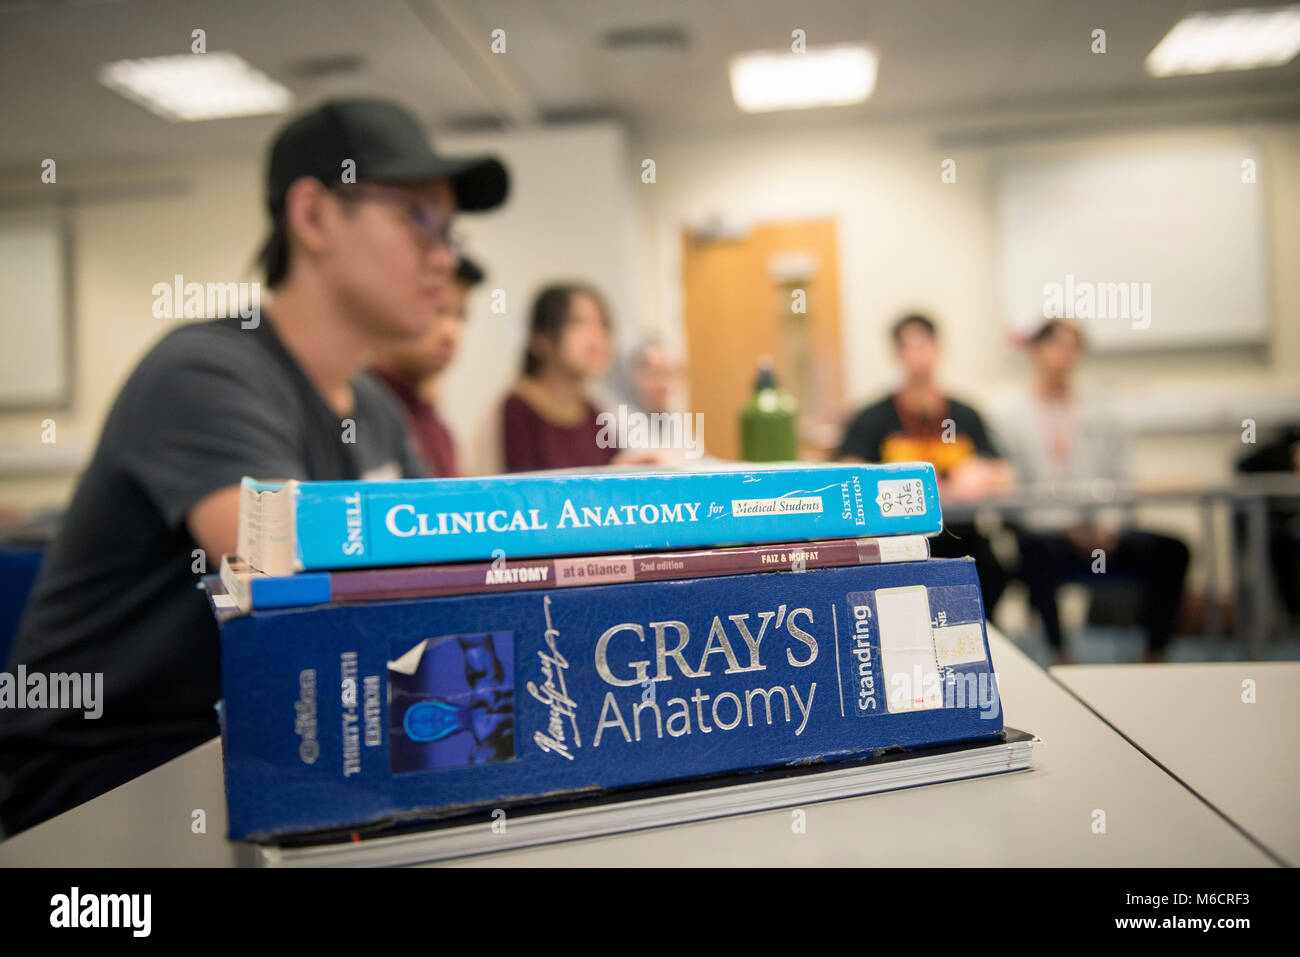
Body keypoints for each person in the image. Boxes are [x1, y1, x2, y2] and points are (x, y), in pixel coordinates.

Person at [0, 98, 508, 837]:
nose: (446, 256)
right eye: (417, 219)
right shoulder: (202, 373)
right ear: (312, 215)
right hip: (103, 787)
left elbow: (439, 580)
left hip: (274, 749)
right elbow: (295, 589)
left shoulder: (376, 405)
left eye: (450, 231)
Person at [996, 319, 1189, 663]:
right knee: (1034, 553)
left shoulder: (1105, 412)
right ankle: (1060, 652)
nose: (1064, 355)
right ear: (1036, 352)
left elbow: (1122, 477)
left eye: (1073, 347)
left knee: (1173, 551)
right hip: (1050, 533)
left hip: (1106, 531)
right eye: (1055, 345)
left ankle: (1155, 653)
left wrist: (1108, 526)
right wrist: (1067, 526)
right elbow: (1013, 492)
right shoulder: (1010, 417)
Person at [837, 313, 1014, 613]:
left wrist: (982, 474)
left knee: (997, 573)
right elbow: (845, 469)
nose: (919, 356)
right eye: (910, 348)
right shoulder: (873, 417)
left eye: (925, 346)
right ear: (897, 354)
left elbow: (1004, 472)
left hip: (962, 537)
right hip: (899, 543)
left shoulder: (965, 414)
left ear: (938, 350)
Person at [371, 254, 487, 477]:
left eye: (461, 316)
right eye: (438, 311)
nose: (450, 333)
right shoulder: (356, 414)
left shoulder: (435, 424)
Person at [500, 283, 620, 472]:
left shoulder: (594, 413)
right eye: (579, 322)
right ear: (541, 338)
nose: (597, 335)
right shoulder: (518, 408)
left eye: (602, 323)